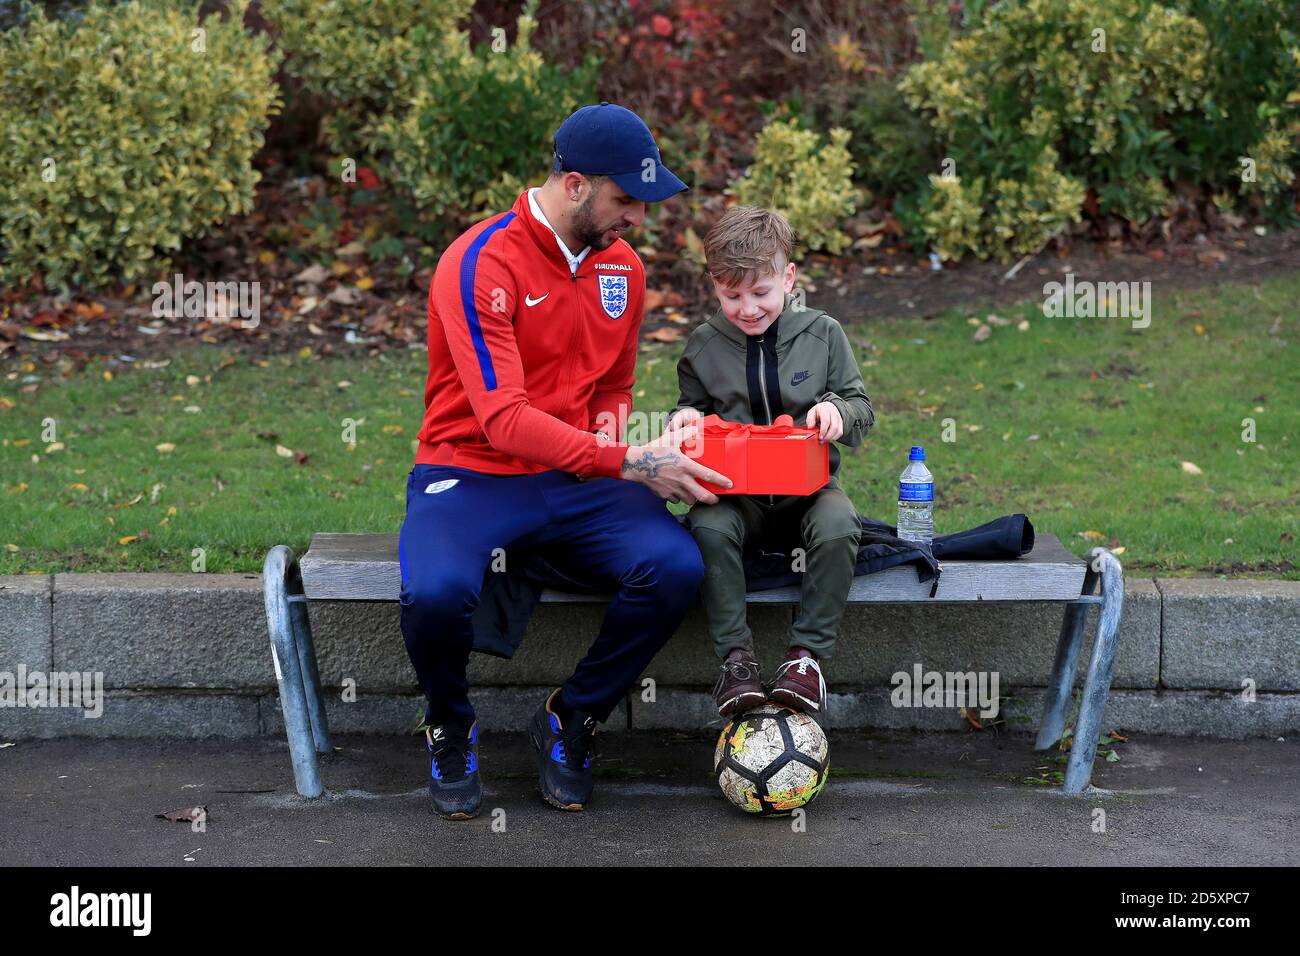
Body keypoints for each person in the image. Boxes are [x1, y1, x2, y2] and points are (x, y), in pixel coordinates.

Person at [399, 102, 731, 819]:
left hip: (577, 478)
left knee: (675, 566)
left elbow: (612, 387)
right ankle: (449, 728)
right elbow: (504, 418)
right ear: (574, 184)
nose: (637, 219)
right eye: (625, 200)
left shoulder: (625, 270)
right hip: (469, 472)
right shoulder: (479, 261)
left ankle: (571, 718)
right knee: (433, 594)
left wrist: (612, 456)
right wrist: (630, 463)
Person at [667, 206, 875, 717]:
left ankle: (806, 660)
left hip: (808, 492)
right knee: (706, 525)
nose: (747, 308)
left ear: (788, 278)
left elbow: (861, 408)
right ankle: (736, 662)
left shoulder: (823, 334)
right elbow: (690, 407)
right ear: (713, 286)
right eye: (731, 296)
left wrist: (837, 412)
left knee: (840, 524)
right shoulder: (703, 345)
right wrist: (683, 422)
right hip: (736, 496)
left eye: (760, 293)